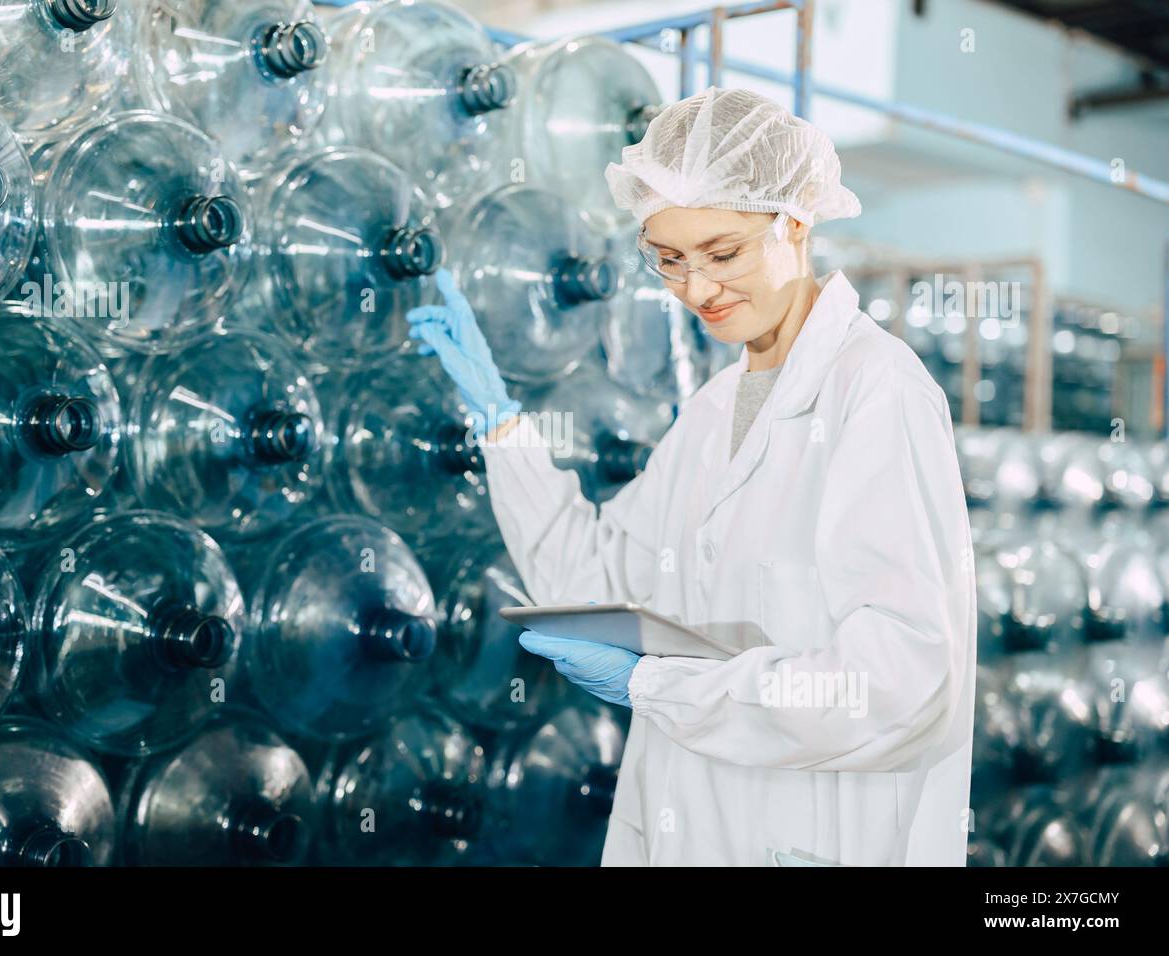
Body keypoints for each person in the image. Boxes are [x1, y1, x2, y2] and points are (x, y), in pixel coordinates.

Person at [408, 86, 976, 867]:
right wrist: (502, 423)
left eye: (723, 253)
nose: (697, 290)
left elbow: (896, 682)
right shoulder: (715, 408)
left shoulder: (877, 390)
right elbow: (596, 576)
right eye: (669, 259)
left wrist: (661, 690)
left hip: (810, 837)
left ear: (796, 223)